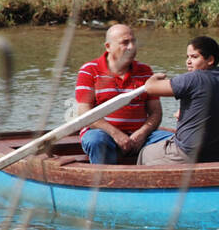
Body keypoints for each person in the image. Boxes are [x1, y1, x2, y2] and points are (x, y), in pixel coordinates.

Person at [74, 24, 172, 164]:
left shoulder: (145, 71)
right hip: (104, 134)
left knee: (175, 141)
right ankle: (105, 182)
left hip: (139, 135)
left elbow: (156, 113)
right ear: (108, 47)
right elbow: (85, 114)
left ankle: (156, 178)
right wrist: (116, 134)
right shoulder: (89, 71)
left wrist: (142, 133)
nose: (131, 47)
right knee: (95, 140)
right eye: (125, 43)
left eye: (133, 42)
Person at [138, 36, 219, 165]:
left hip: (190, 154)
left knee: (145, 152)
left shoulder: (194, 78)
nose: (188, 61)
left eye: (194, 57)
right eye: (187, 57)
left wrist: (153, 78)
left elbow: (150, 88)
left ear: (210, 60)